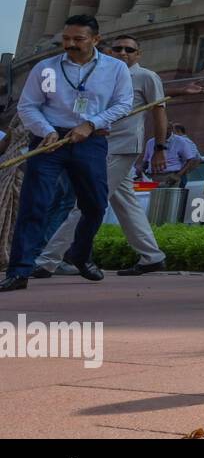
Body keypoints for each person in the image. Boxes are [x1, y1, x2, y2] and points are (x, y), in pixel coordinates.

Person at [2, 15, 133, 292]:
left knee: (95, 204)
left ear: (95, 40)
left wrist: (91, 124)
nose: (70, 45)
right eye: (66, 39)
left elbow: (124, 104)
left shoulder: (115, 69)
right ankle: (19, 270)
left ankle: (80, 254)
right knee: (34, 203)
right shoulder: (45, 68)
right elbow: (28, 106)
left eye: (78, 39)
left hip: (90, 140)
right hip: (48, 140)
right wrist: (46, 129)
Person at [35, 34, 171, 277]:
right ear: (108, 52)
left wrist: (160, 148)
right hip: (97, 146)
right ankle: (152, 256)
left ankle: (47, 260)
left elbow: (159, 112)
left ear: (138, 54)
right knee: (126, 204)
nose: (123, 53)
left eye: (129, 50)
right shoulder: (102, 75)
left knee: (86, 204)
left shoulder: (146, 76)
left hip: (122, 147)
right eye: (117, 48)